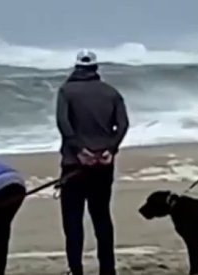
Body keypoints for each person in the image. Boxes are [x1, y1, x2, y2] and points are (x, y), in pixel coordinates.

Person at [56, 49, 129, 275]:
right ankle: (108, 269)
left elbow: (64, 124)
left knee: (73, 221)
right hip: (103, 164)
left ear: (77, 67)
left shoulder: (66, 91)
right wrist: (111, 149)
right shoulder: (111, 93)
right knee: (102, 217)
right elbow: (123, 125)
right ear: (96, 68)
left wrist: (80, 149)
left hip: (74, 164)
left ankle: (75, 269)